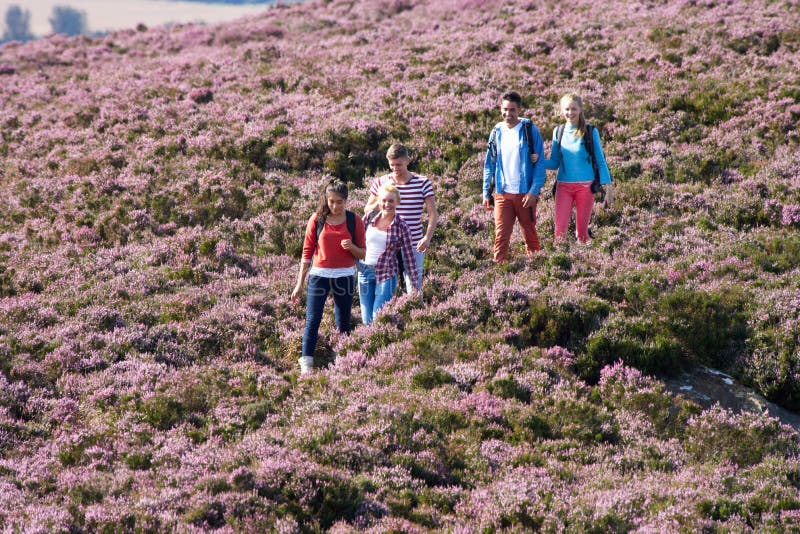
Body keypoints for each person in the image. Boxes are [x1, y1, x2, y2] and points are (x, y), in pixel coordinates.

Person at [291, 179, 366, 375]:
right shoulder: (317, 219)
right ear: (326, 199)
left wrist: (352, 248)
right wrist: (299, 284)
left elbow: (363, 253)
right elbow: (306, 253)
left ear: (346, 201)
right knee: (312, 320)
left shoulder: (354, 220)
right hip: (319, 276)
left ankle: (341, 360)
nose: (335, 206)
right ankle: (306, 364)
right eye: (331, 201)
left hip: (345, 276)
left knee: (343, 321)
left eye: (339, 202)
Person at [482, 91, 546, 262]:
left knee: (529, 234)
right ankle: (498, 270)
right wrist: (486, 192)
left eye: (512, 110)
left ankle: (536, 267)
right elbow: (489, 164)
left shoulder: (529, 130)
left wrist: (533, 191)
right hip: (502, 193)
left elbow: (540, 164)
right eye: (505, 109)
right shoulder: (497, 131)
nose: (508, 114)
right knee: (501, 235)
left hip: (525, 194)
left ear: (519, 109)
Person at [364, 144, 437, 292]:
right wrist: (384, 198)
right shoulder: (381, 182)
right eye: (392, 165)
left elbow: (433, 214)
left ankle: (416, 313)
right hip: (386, 243)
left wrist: (427, 238)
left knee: (414, 287)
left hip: (414, 243)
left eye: (399, 165)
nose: (396, 168)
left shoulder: (422, 182)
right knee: (385, 287)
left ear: (407, 161)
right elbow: (367, 209)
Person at [544, 93, 613, 243]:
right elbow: (554, 162)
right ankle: (560, 261)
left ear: (580, 109)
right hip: (563, 187)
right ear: (562, 111)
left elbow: (601, 161)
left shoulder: (590, 131)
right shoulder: (558, 131)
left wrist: (608, 188)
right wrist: (536, 161)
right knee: (559, 231)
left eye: (574, 109)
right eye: (567, 109)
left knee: (581, 233)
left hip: (586, 187)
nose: (570, 113)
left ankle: (584, 263)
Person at [359, 184, 421, 325]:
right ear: (379, 202)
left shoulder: (402, 226)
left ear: (397, 202)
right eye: (384, 201)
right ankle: (369, 346)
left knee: (377, 316)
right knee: (366, 320)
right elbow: (357, 240)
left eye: (391, 201)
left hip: (386, 274)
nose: (387, 204)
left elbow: (409, 257)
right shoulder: (369, 217)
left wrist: (415, 285)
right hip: (364, 273)